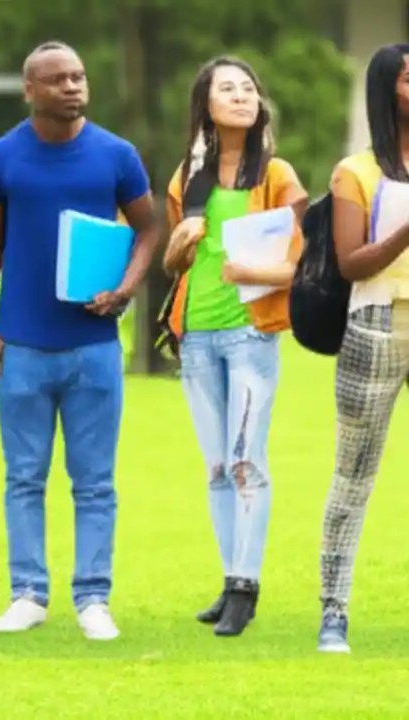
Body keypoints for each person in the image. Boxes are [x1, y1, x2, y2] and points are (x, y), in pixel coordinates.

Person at [0, 41, 158, 641]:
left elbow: (151, 230)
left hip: (95, 347)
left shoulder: (116, 155)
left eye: (79, 76)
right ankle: (28, 592)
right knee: (24, 476)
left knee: (95, 481)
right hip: (21, 346)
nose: (73, 86)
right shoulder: (1, 158)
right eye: (58, 79)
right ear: (31, 90)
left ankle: (93, 598)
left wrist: (125, 289)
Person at [160, 57, 306, 638]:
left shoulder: (276, 175)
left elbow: (301, 260)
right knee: (218, 467)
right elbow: (177, 267)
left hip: (250, 333)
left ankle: (247, 586)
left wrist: (255, 270)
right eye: (228, 88)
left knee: (248, 461)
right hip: (196, 335)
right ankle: (227, 581)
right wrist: (178, 247)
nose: (242, 95)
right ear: (207, 105)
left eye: (248, 88)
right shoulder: (186, 180)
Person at [317, 42, 409, 655]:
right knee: (354, 476)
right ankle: (334, 612)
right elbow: (351, 262)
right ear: (387, 89)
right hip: (377, 326)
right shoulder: (358, 171)